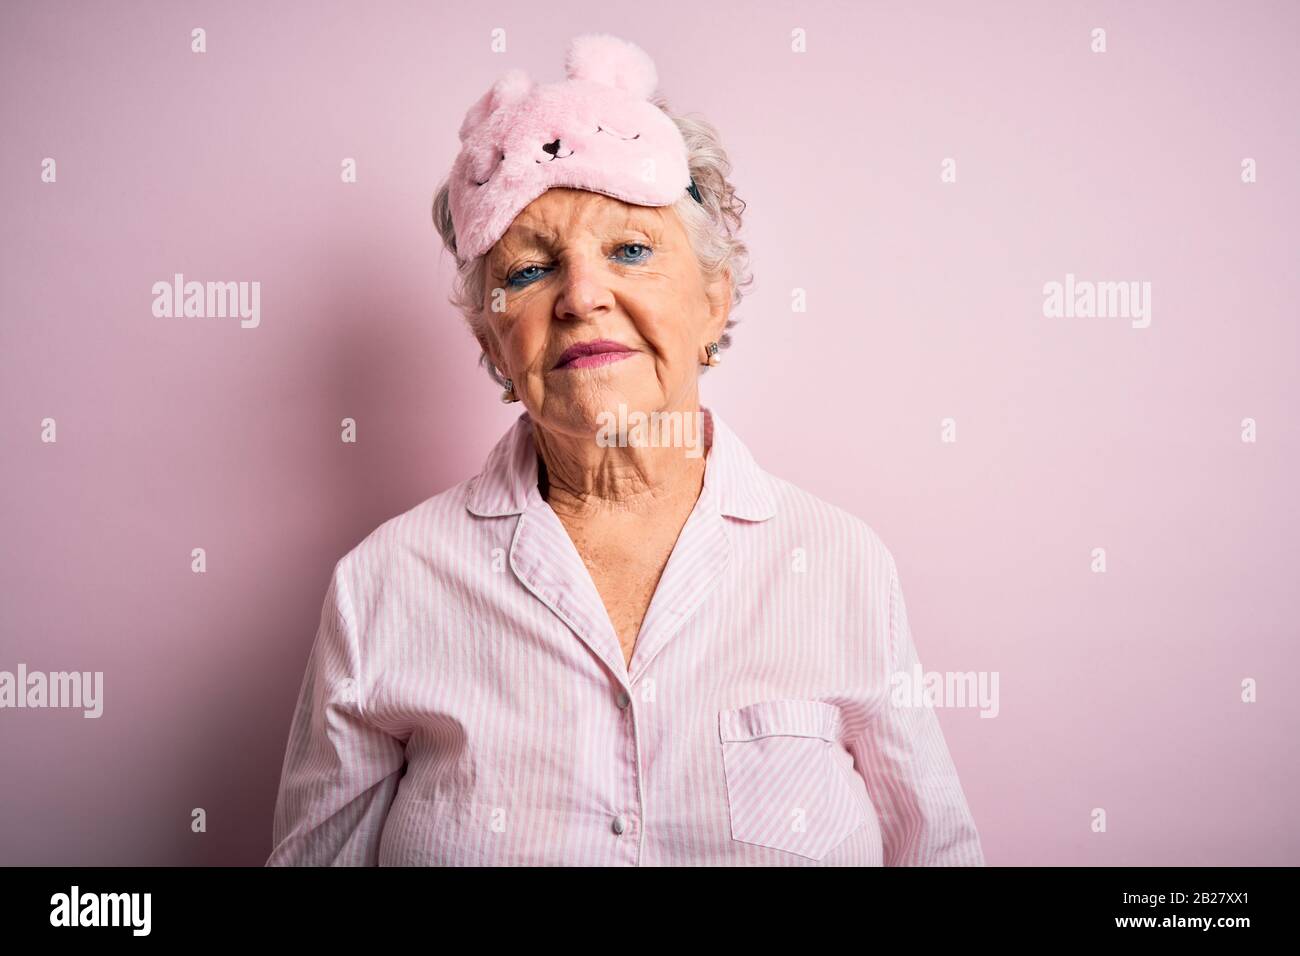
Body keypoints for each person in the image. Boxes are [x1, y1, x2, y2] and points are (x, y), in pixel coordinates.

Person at [266, 32, 985, 866]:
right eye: (529, 271)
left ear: (714, 300)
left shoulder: (838, 564)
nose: (581, 296)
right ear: (492, 339)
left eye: (631, 251)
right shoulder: (381, 586)